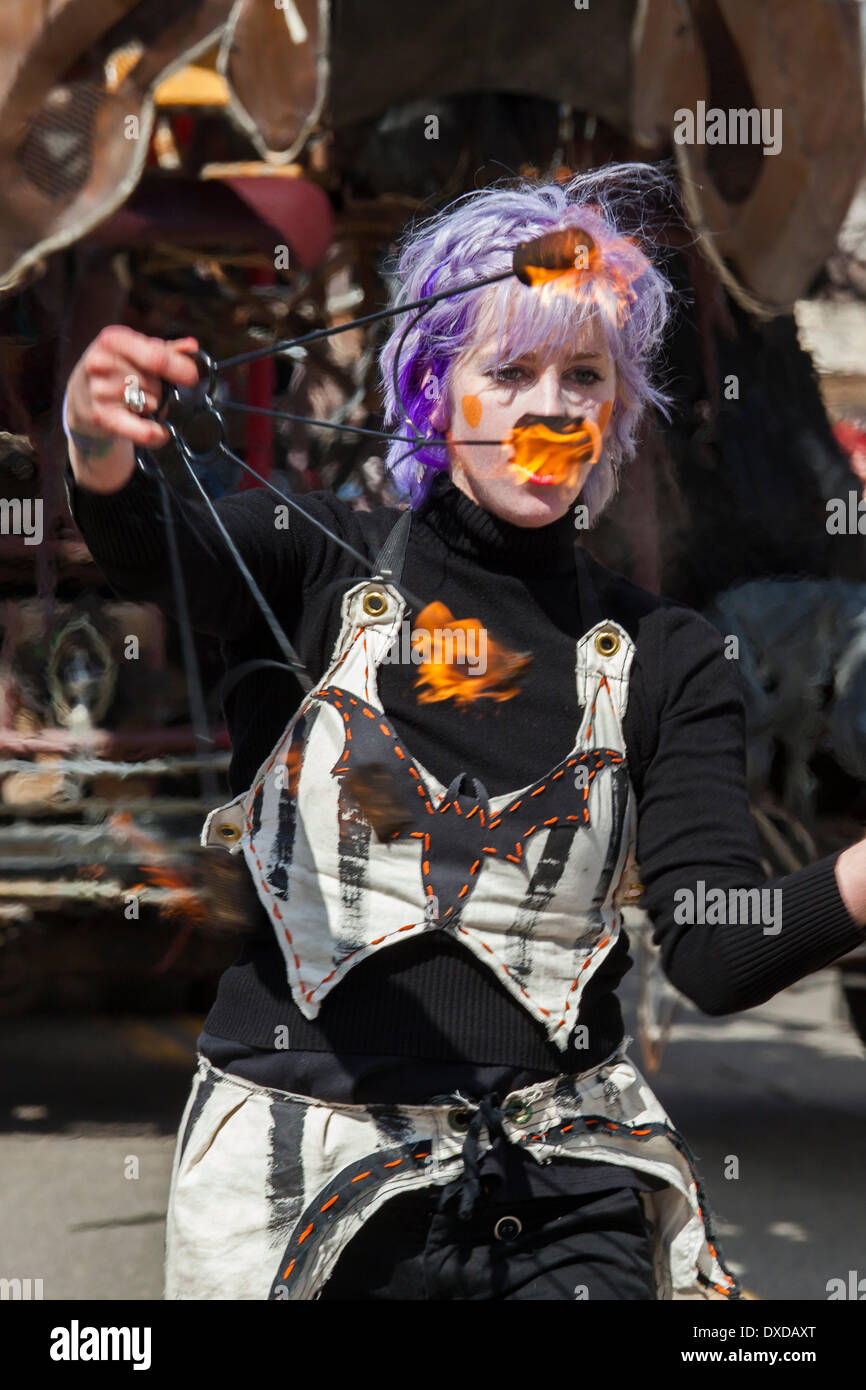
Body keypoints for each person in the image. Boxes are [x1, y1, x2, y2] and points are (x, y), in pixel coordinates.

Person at [62, 164, 866, 1301]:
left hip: (560, 1179)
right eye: (511, 369)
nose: (550, 404)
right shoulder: (309, 558)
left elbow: (715, 948)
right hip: (304, 1177)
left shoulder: (667, 657)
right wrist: (97, 443)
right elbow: (150, 542)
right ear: (437, 394)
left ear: (615, 409)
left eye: (583, 374)